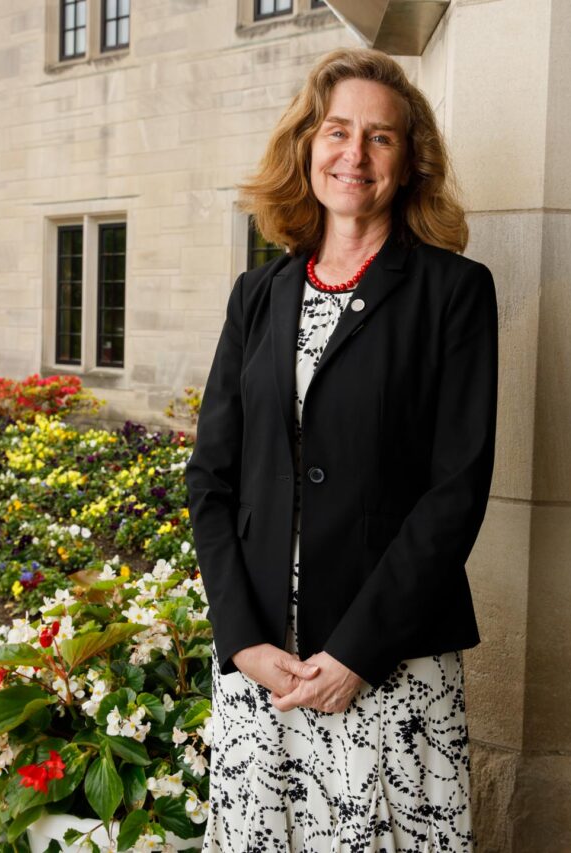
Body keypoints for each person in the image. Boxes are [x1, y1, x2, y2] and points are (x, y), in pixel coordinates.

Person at [185, 46, 498, 851]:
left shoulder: (454, 293)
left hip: (386, 660)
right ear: (307, 146)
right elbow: (211, 478)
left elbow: (456, 489)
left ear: (409, 159)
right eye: (336, 131)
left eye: (381, 137)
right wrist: (240, 637)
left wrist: (358, 650)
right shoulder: (256, 295)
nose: (354, 154)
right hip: (265, 670)